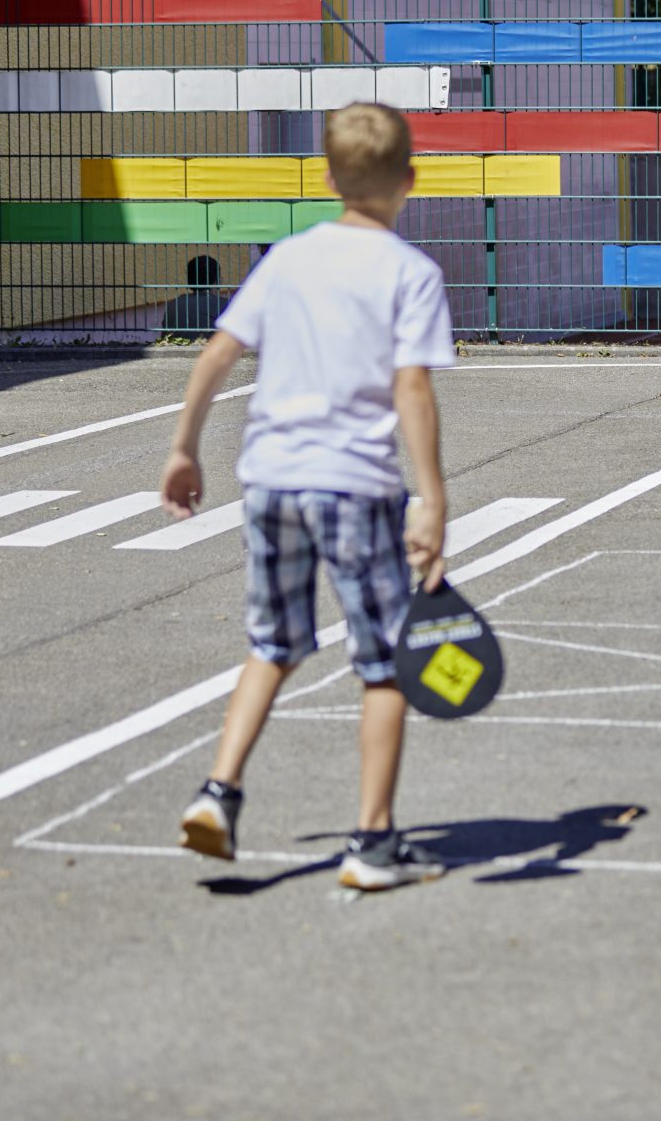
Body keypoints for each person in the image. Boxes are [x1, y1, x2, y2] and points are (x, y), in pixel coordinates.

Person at [157, 103, 458, 890]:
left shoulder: (287, 258)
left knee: (272, 645)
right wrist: (431, 496)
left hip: (271, 481)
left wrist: (184, 448)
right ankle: (373, 845)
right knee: (387, 663)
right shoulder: (410, 272)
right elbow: (413, 389)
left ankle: (218, 794)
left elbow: (217, 354)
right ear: (409, 183)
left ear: (327, 179)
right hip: (354, 486)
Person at [159, 254, 229, 336]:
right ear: (218, 281)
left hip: (173, 348)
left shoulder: (174, 304)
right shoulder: (225, 306)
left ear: (189, 281)